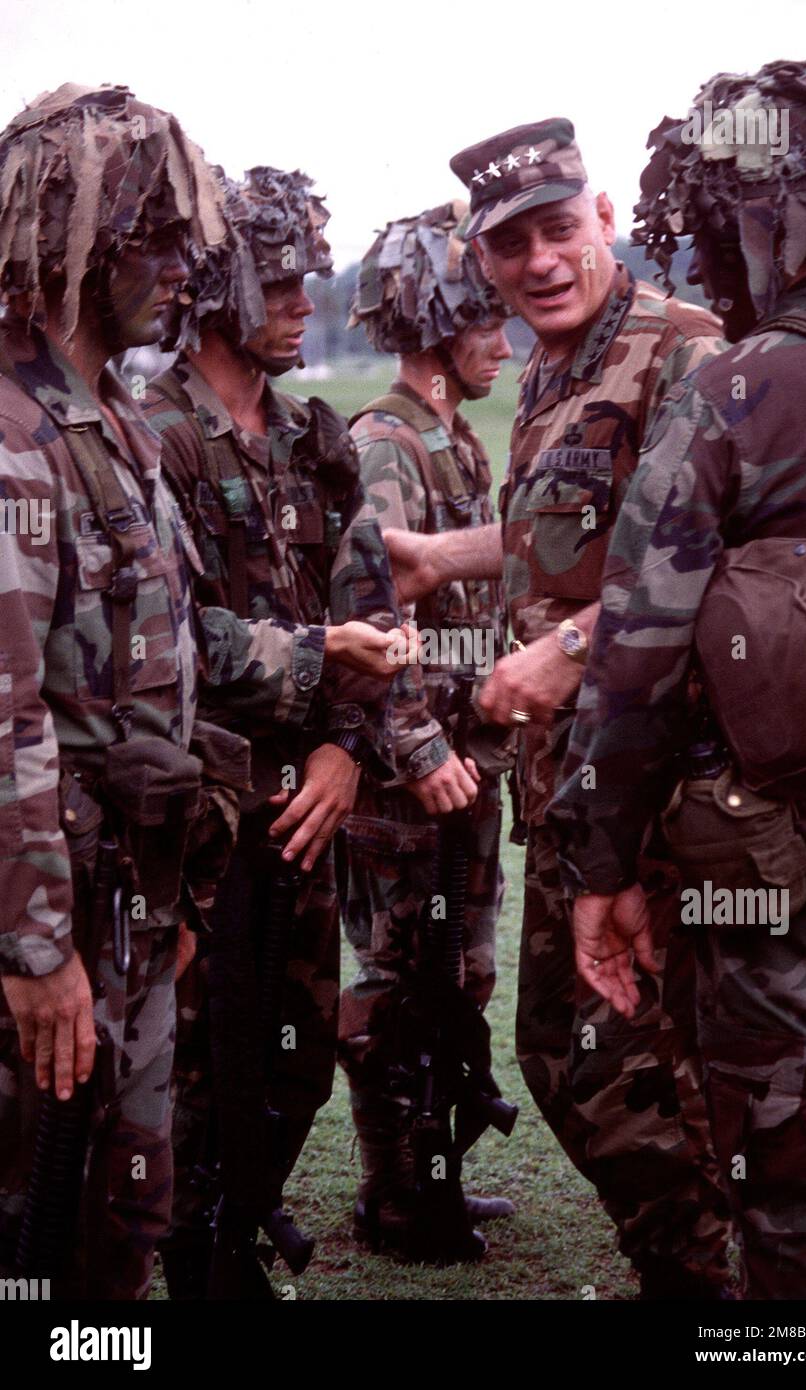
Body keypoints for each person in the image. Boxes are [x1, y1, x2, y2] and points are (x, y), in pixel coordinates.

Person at [0, 87, 401, 1300]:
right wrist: (33, 950)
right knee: (37, 1230)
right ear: (76, 235)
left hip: (132, 890)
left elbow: (176, 632)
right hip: (53, 923)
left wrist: (309, 652)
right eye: (155, 239)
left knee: (124, 1221)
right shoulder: (16, 435)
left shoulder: (105, 421)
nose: (185, 269)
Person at [547, 61, 806, 1301]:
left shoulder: (731, 393)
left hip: (778, 885)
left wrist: (601, 868)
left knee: (797, 1193)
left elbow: (632, 662)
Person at [385, 118, 734, 1296]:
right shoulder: (550, 368)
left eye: (555, 231)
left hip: (669, 794)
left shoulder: (686, 353)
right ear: (480, 263)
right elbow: (575, 536)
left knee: (648, 1076)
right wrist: (446, 555)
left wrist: (574, 650)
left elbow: (729, 555)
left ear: (603, 221)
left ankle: (721, 1289)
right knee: (565, 1056)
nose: (537, 262)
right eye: (508, 247)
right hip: (573, 795)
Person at [143, 165, 403, 1297]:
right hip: (201, 811)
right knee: (197, 1065)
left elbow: (371, 608)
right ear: (213, 288)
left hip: (307, 806)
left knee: (293, 1059)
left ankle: (237, 1230)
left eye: (309, 277)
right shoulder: (152, 437)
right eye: (283, 281)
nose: (308, 301)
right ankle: (197, 1257)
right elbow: (159, 633)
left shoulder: (313, 434)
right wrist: (310, 667)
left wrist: (347, 746)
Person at [338, 201, 514, 1259]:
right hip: (408, 788)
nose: (506, 338)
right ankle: (394, 1195)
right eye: (486, 318)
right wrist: (416, 747)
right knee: (400, 983)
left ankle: (434, 1178)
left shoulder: (450, 441)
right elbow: (371, 623)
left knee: (460, 979)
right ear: (440, 318)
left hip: (462, 775)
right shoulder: (386, 446)